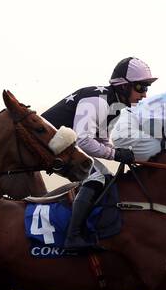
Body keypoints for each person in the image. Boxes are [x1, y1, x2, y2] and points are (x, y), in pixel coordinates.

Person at [40, 57, 157, 252]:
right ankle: (73, 236)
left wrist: (123, 155)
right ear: (122, 86)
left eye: (146, 88)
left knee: (106, 177)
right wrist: (115, 154)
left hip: (65, 146)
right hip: (47, 146)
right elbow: (85, 141)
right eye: (140, 87)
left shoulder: (115, 104)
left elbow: (100, 141)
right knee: (97, 176)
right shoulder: (98, 101)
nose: (144, 94)